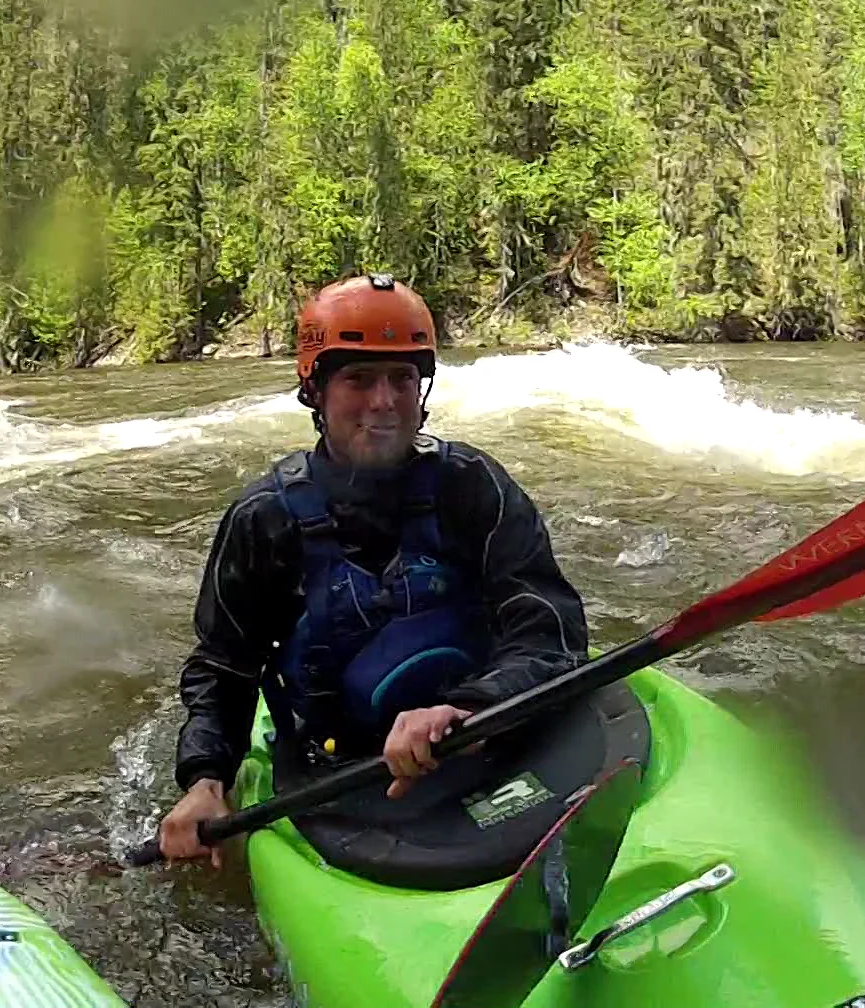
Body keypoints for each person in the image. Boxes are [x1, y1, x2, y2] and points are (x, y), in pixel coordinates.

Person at [157, 273, 589, 865]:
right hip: (347, 768)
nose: (384, 401)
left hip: (490, 729)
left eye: (402, 378)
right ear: (315, 392)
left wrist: (472, 707)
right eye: (359, 379)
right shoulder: (265, 521)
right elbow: (225, 667)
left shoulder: (472, 487)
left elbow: (551, 631)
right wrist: (206, 780)